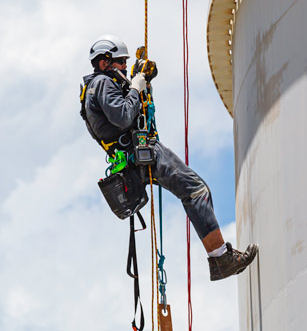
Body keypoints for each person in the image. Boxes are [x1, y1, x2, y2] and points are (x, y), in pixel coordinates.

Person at [80, 34, 258, 281]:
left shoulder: (94, 88)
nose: (124, 66)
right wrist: (135, 87)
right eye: (121, 62)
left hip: (133, 159)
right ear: (104, 62)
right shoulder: (102, 83)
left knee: (194, 190)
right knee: (195, 190)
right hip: (142, 152)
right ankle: (221, 259)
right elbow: (123, 116)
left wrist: (140, 81)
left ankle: (220, 258)